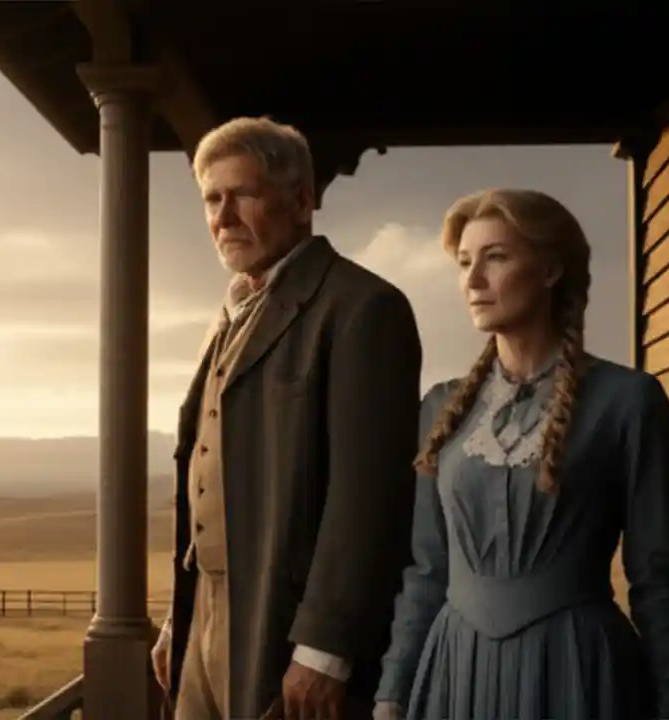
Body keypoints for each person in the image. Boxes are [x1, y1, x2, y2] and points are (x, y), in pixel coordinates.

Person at [372, 188, 669, 720]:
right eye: (463, 262)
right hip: (456, 671)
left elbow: (656, 576)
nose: (473, 279)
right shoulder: (441, 408)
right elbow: (427, 569)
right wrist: (393, 693)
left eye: (495, 257)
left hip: (576, 669)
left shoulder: (628, 401)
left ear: (549, 269)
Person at [149, 116, 423, 720]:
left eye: (241, 194)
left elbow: (368, 496)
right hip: (209, 613)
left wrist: (326, 649)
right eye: (211, 200)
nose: (222, 216)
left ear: (301, 200)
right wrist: (182, 616)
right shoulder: (226, 317)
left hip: (287, 620)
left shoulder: (363, 309)